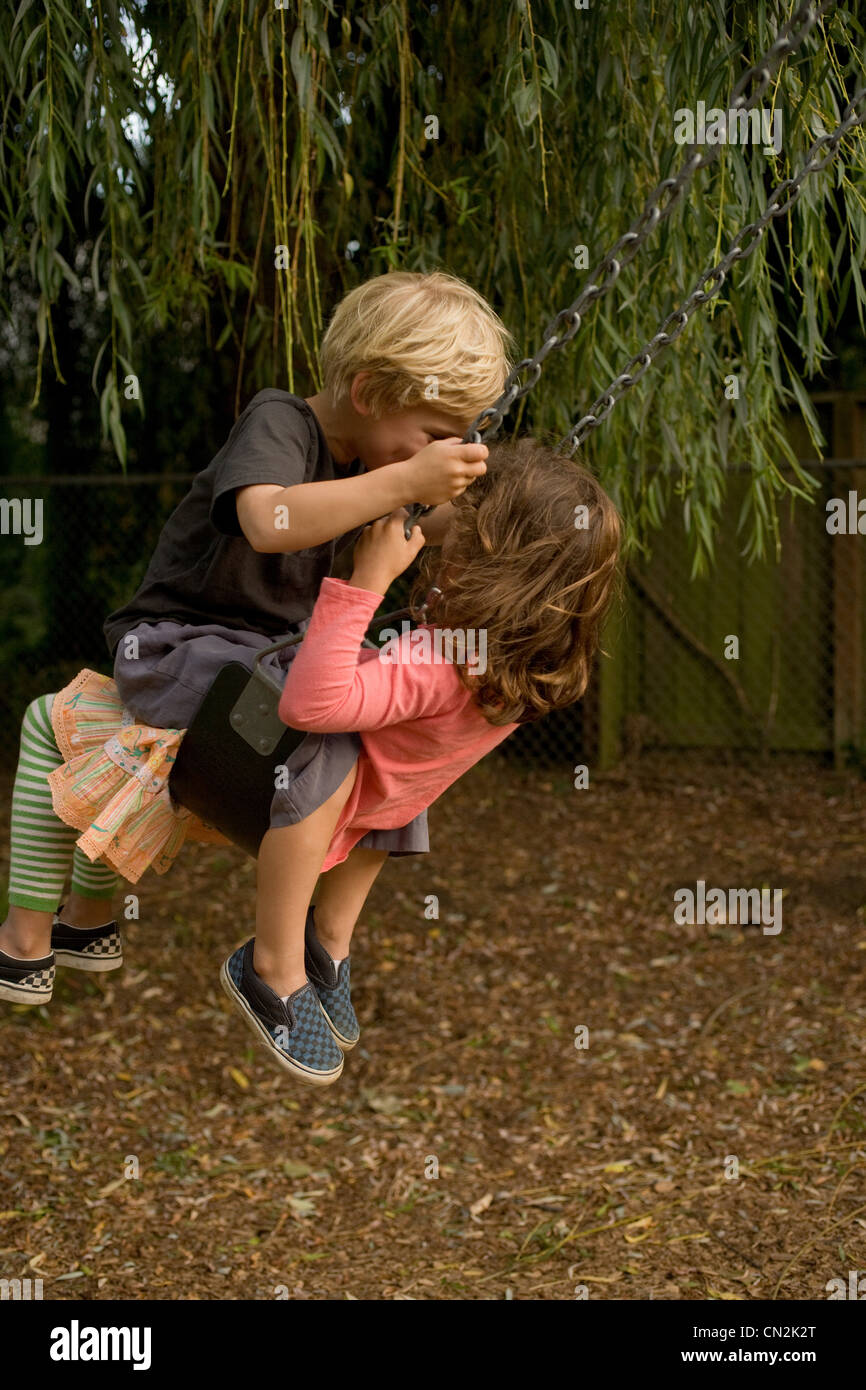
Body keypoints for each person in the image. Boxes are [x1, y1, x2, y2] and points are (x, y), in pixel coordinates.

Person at [0, 270, 510, 1009]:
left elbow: (426, 524)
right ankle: (25, 940)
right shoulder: (280, 422)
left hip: (266, 664)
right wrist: (404, 484)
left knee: (375, 719)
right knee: (304, 728)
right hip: (177, 645)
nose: (436, 454)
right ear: (367, 393)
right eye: (434, 435)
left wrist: (503, 516)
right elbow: (270, 519)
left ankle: (324, 945)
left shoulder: (372, 467)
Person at [222, 438, 621, 1084]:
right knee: (401, 806)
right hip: (390, 796)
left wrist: (368, 581)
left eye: (466, 536)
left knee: (331, 755)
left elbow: (307, 705)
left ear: (488, 565)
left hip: (324, 777)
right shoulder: (525, 673)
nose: (448, 539)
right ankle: (330, 946)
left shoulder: (439, 663)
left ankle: (272, 964)